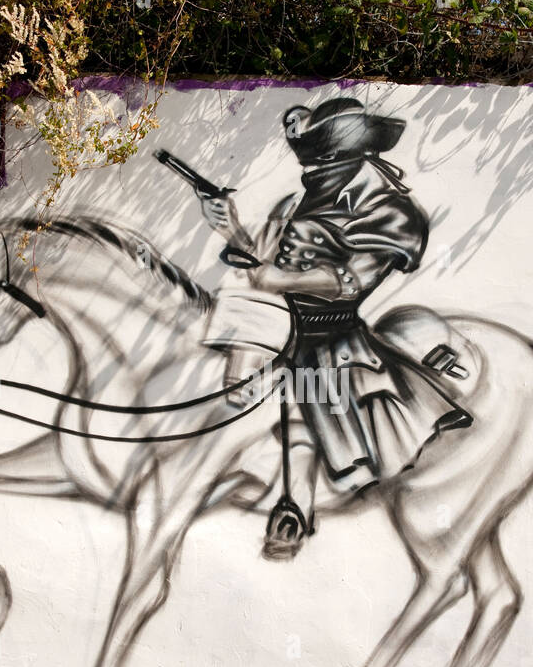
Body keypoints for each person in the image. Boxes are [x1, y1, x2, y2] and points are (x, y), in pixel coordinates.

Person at [200, 98, 471, 559]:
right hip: (275, 323)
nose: (313, 165)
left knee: (310, 395)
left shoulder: (390, 211)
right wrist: (232, 231)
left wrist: (282, 279)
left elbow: (354, 281)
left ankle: (296, 505)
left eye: (321, 154)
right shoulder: (296, 201)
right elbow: (261, 260)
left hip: (331, 335)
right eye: (310, 154)